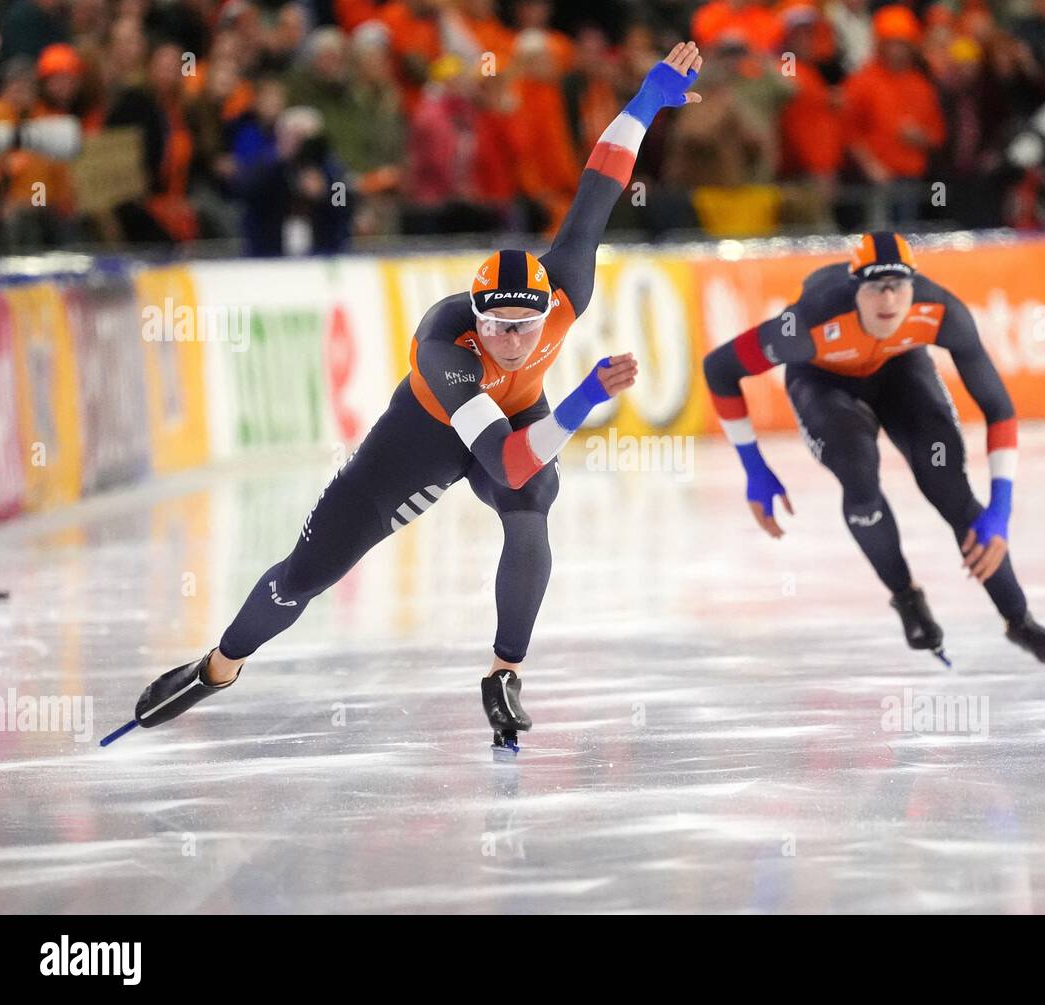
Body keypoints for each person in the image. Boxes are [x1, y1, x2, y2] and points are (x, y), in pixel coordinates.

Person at [125, 42, 704, 753]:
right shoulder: (445, 346)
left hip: (515, 417)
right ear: (476, 315)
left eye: (525, 327)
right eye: (497, 327)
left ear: (547, 308)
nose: (513, 341)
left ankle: (504, 673)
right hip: (426, 437)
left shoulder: (567, 286)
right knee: (306, 576)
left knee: (532, 513)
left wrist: (646, 99)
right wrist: (583, 395)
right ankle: (217, 666)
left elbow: (600, 184)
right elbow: (510, 460)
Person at [702, 231, 1045, 666]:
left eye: (898, 286)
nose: (888, 301)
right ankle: (906, 597)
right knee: (858, 469)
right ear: (853, 288)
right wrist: (755, 470)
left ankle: (1019, 620)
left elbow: (1000, 409)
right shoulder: (804, 325)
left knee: (949, 485)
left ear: (913, 287)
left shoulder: (940, 311)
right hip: (824, 383)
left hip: (899, 369)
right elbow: (720, 369)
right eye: (875, 287)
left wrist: (1002, 508)